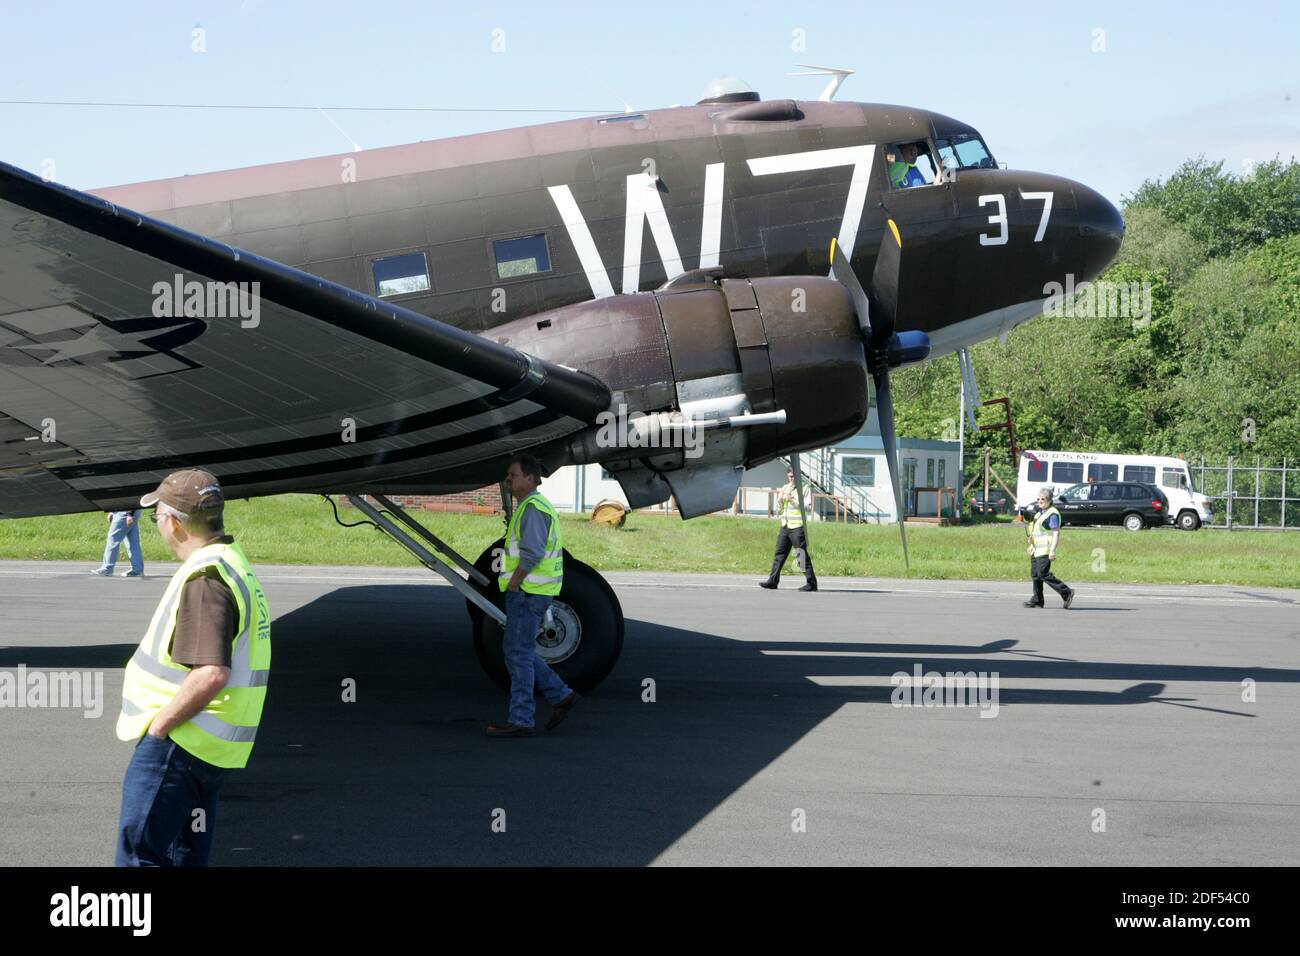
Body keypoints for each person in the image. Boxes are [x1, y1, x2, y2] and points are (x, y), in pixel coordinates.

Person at [115, 469, 271, 866]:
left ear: (174, 523)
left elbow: (210, 673)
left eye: (157, 519)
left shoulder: (206, 577)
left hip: (180, 744)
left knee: (140, 856)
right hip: (209, 750)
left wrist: (160, 727)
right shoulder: (234, 562)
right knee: (182, 856)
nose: (159, 528)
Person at [487, 453, 579, 738]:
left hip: (528, 593)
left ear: (529, 478)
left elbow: (532, 553)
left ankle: (522, 719)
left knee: (517, 655)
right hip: (533, 592)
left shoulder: (533, 509)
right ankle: (561, 695)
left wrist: (515, 583)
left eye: (513, 475)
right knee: (520, 652)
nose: (508, 479)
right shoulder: (532, 506)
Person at [759, 465, 818, 592]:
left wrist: (793, 499)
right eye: (790, 476)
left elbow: (807, 507)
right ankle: (773, 581)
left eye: (794, 476)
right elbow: (781, 509)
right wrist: (779, 502)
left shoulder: (805, 488)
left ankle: (811, 583)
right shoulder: (785, 488)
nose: (792, 479)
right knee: (779, 554)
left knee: (800, 555)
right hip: (785, 525)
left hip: (797, 527)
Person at [1024, 486, 1075, 609]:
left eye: (1043, 499)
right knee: (1035, 574)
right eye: (1038, 499)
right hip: (1036, 549)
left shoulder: (1052, 514)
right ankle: (1037, 599)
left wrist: (1052, 550)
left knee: (1043, 573)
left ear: (1049, 500)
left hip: (1045, 549)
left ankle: (1066, 592)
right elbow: (1036, 530)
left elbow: (1056, 533)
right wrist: (1031, 542)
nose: (1040, 501)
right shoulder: (1039, 513)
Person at [92, 510, 144, 577]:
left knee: (113, 539)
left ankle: (107, 568)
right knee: (132, 541)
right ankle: (138, 570)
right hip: (130, 511)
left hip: (126, 511)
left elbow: (129, 499)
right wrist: (112, 512)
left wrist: (130, 514)